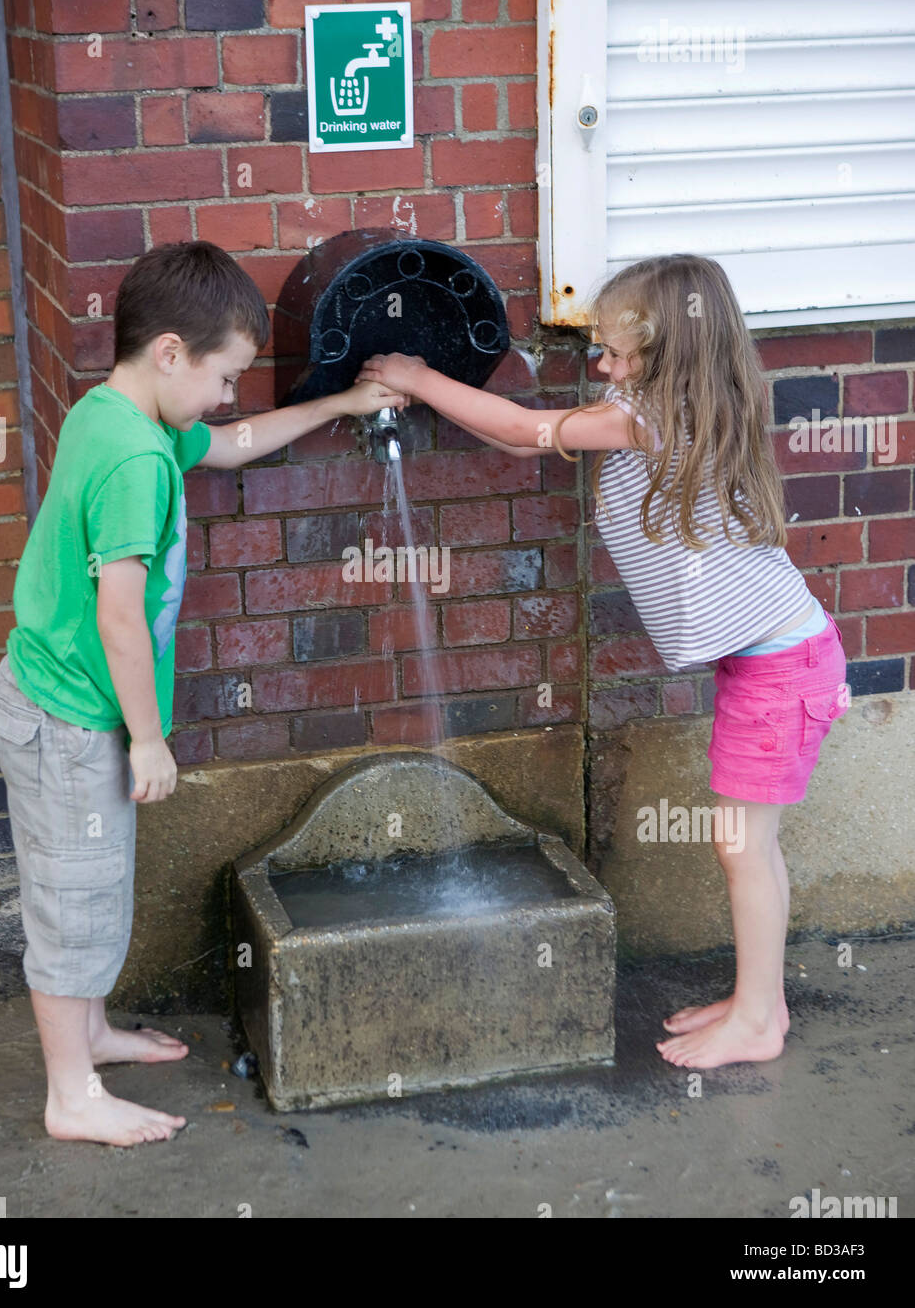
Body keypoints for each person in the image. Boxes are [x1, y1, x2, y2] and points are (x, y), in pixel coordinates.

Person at [355, 253, 849, 1070]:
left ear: (668, 355)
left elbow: (524, 430)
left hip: (783, 668)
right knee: (745, 844)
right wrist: (429, 389)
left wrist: (416, 371)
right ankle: (755, 999)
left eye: (617, 352)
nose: (602, 364)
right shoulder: (651, 400)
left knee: (740, 845)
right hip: (771, 663)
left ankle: (760, 1019)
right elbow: (526, 445)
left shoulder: (657, 417)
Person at [0, 241, 405, 1145]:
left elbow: (235, 445)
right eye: (224, 376)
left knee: (92, 892)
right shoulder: (135, 462)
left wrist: (338, 403)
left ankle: (88, 1034)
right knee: (71, 903)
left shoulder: (114, 416)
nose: (226, 398)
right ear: (170, 352)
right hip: (72, 717)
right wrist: (146, 739)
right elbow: (121, 618)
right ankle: (71, 1097)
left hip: (61, 703)